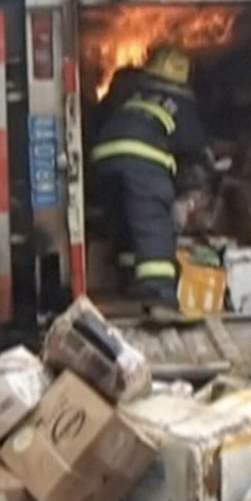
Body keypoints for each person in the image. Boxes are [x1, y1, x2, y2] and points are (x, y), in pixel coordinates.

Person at [92, 45, 216, 321]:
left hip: (104, 158)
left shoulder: (134, 95)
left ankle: (129, 278)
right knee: (152, 223)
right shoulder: (181, 103)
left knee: (126, 220)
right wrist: (206, 169)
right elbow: (194, 145)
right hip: (142, 160)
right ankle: (159, 294)